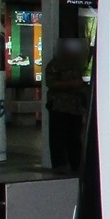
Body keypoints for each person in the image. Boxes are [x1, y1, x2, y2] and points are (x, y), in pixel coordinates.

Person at [45, 39, 90, 172]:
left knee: (74, 138)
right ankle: (60, 165)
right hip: (59, 106)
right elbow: (51, 83)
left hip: (74, 108)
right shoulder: (55, 65)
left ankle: (77, 164)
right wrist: (71, 84)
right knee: (58, 137)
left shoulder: (76, 65)